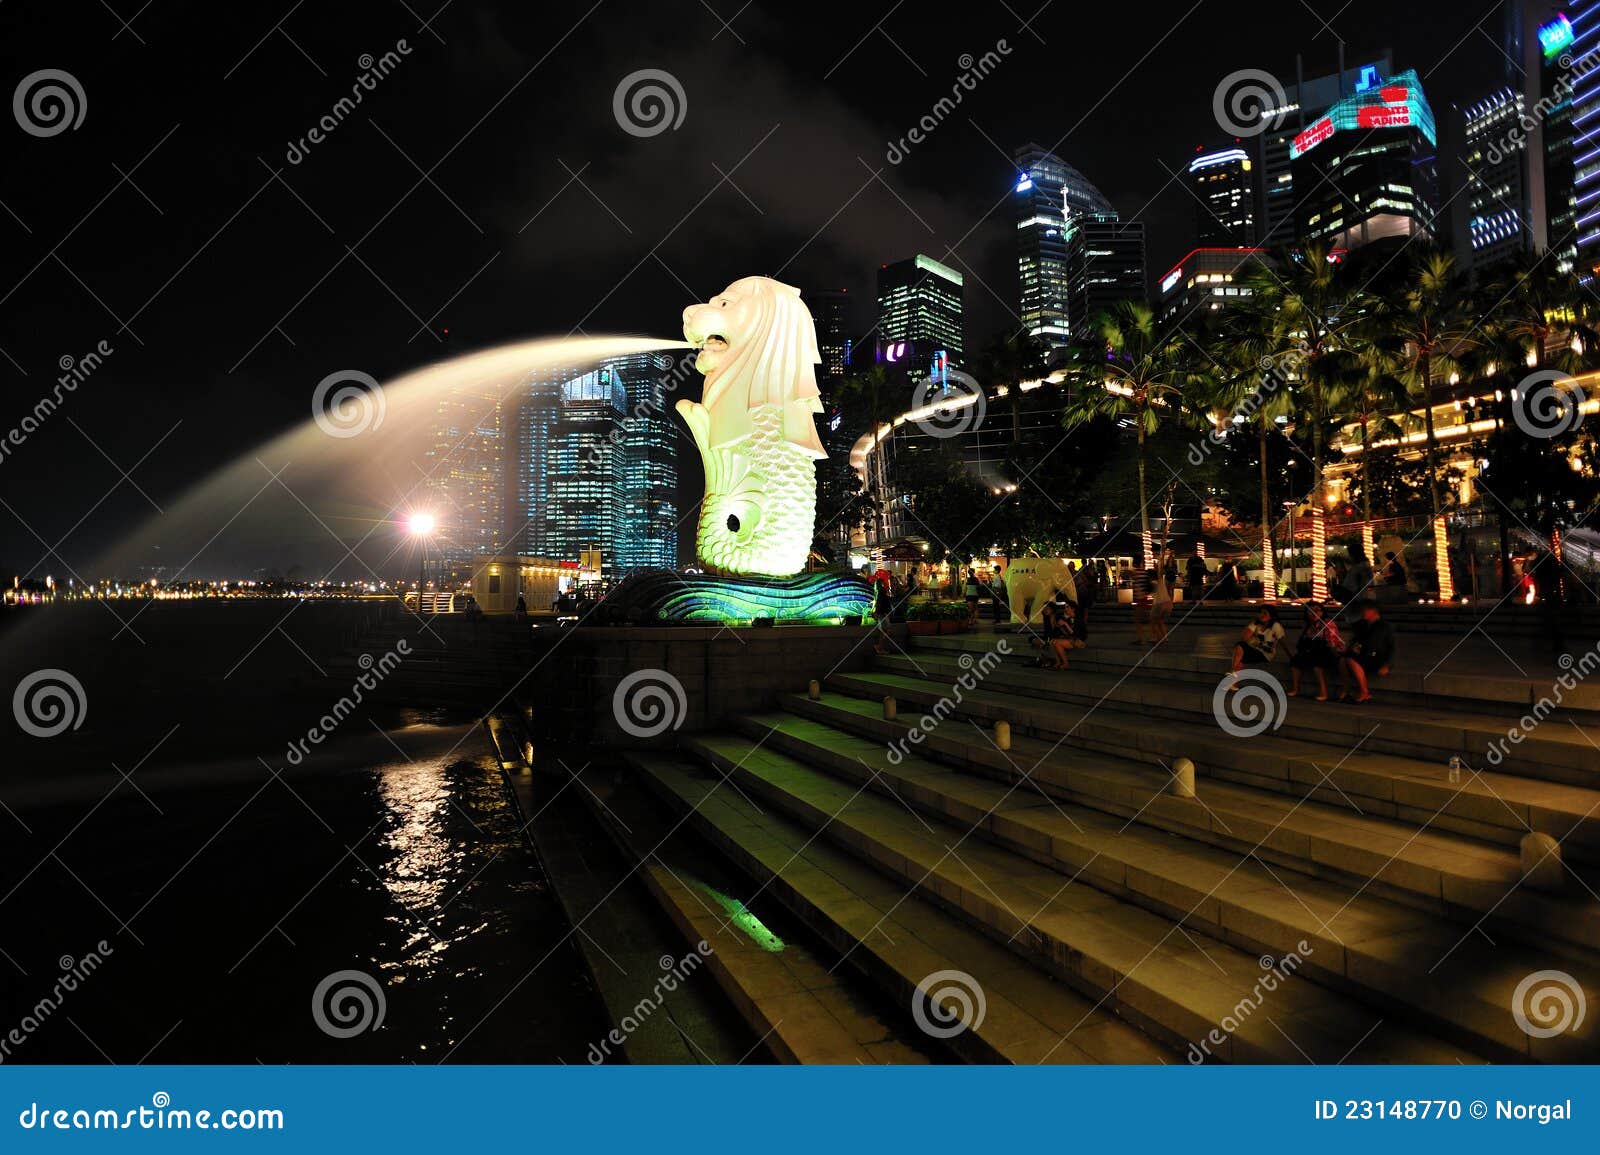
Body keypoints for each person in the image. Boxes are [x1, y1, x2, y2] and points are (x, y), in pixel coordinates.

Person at [1341, 599, 1394, 702]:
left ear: (1373, 611)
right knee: (1342, 660)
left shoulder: (1384, 626)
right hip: (1365, 655)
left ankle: (1364, 692)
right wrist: (1353, 647)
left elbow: (1392, 646)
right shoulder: (1363, 625)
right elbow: (1355, 640)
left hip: (1377, 658)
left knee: (1350, 658)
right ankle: (1346, 690)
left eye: (1364, 610)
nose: (1362, 613)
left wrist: (1387, 664)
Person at [1289, 602, 1343, 701]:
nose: (1314, 613)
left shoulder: (1327, 623)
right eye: (1310, 611)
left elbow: (1332, 644)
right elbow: (1302, 643)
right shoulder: (1307, 626)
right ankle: (1296, 689)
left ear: (1322, 612)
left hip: (1329, 652)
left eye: (1317, 610)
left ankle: (1324, 692)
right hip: (1312, 652)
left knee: (1318, 665)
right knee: (1295, 661)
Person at [1230, 605, 1285, 677]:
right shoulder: (1256, 624)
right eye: (1260, 613)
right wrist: (1254, 625)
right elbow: (1244, 638)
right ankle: (1234, 683)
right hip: (1255, 650)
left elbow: (1282, 641)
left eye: (1265, 613)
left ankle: (1232, 675)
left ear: (1271, 615)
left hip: (1266, 654)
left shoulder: (1275, 626)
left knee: (1239, 656)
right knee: (1240, 646)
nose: (1261, 615)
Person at [1150, 565, 1173, 642]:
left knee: (1153, 621)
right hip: (1168, 603)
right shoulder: (1160, 581)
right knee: (1160, 621)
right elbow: (1160, 573)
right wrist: (1157, 567)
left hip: (1159, 604)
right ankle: (1165, 637)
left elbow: (1153, 594)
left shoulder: (1153, 583)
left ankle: (1156, 637)